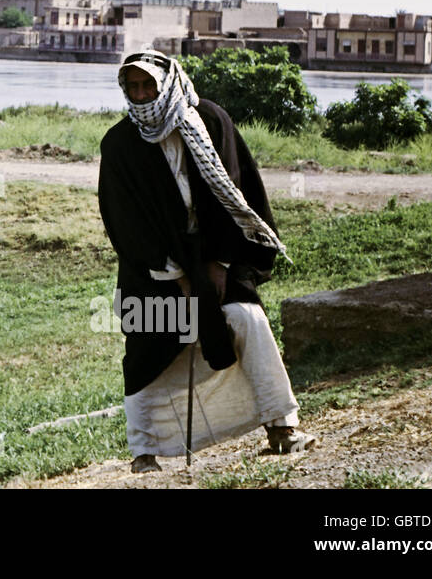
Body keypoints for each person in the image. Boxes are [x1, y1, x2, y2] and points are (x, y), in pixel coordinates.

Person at [97, 48, 317, 473]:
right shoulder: (120, 144)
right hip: (155, 270)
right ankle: (144, 453)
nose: (142, 96)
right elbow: (124, 221)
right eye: (133, 88)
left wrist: (218, 262)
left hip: (218, 255)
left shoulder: (211, 121)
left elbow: (235, 190)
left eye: (149, 85)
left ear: (168, 83)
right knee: (147, 344)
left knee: (247, 319)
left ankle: (282, 427)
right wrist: (177, 278)